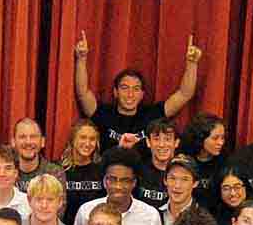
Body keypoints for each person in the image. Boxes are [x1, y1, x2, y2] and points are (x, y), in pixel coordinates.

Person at [73, 36, 202, 154]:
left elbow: (184, 94)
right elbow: (83, 93)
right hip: (110, 174)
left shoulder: (152, 114)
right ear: (115, 92)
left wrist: (192, 64)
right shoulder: (103, 113)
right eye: (124, 88)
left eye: (136, 89)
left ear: (142, 94)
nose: (130, 94)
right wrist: (81, 59)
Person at [87, 158, 166, 225]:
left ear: (134, 183)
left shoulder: (150, 215)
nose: (118, 186)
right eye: (113, 179)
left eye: (125, 180)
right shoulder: (87, 211)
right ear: (104, 181)